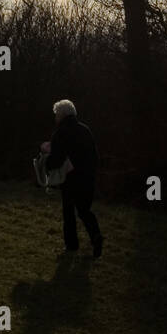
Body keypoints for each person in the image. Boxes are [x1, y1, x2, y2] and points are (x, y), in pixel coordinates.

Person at [44, 99, 104, 259]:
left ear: (62, 115)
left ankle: (71, 245)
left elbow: (57, 158)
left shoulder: (60, 132)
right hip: (88, 176)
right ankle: (96, 236)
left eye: (56, 115)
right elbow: (94, 155)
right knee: (84, 211)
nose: (55, 118)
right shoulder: (85, 130)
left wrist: (46, 164)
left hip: (70, 179)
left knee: (68, 211)